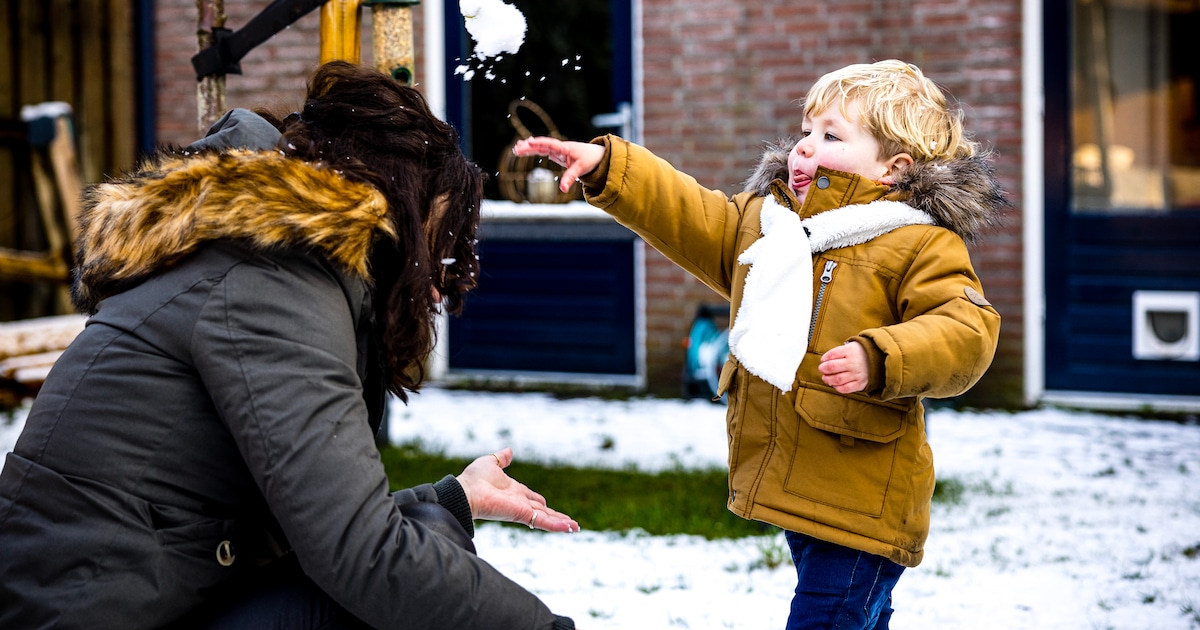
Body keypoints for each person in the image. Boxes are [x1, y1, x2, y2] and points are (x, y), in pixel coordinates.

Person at [0, 61, 580, 630]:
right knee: (383, 596)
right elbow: (364, 560)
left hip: (129, 598)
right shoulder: (271, 280)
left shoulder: (262, 260)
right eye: (437, 244)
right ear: (398, 201)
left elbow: (314, 526)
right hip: (83, 612)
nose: (434, 283)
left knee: (433, 524)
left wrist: (452, 497)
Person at [514, 59, 1005, 629]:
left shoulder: (915, 245)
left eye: (830, 137)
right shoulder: (774, 231)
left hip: (863, 506)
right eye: (805, 131)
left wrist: (882, 357)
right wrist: (610, 167)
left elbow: (967, 330)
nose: (804, 148)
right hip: (808, 496)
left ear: (893, 168)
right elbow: (689, 215)